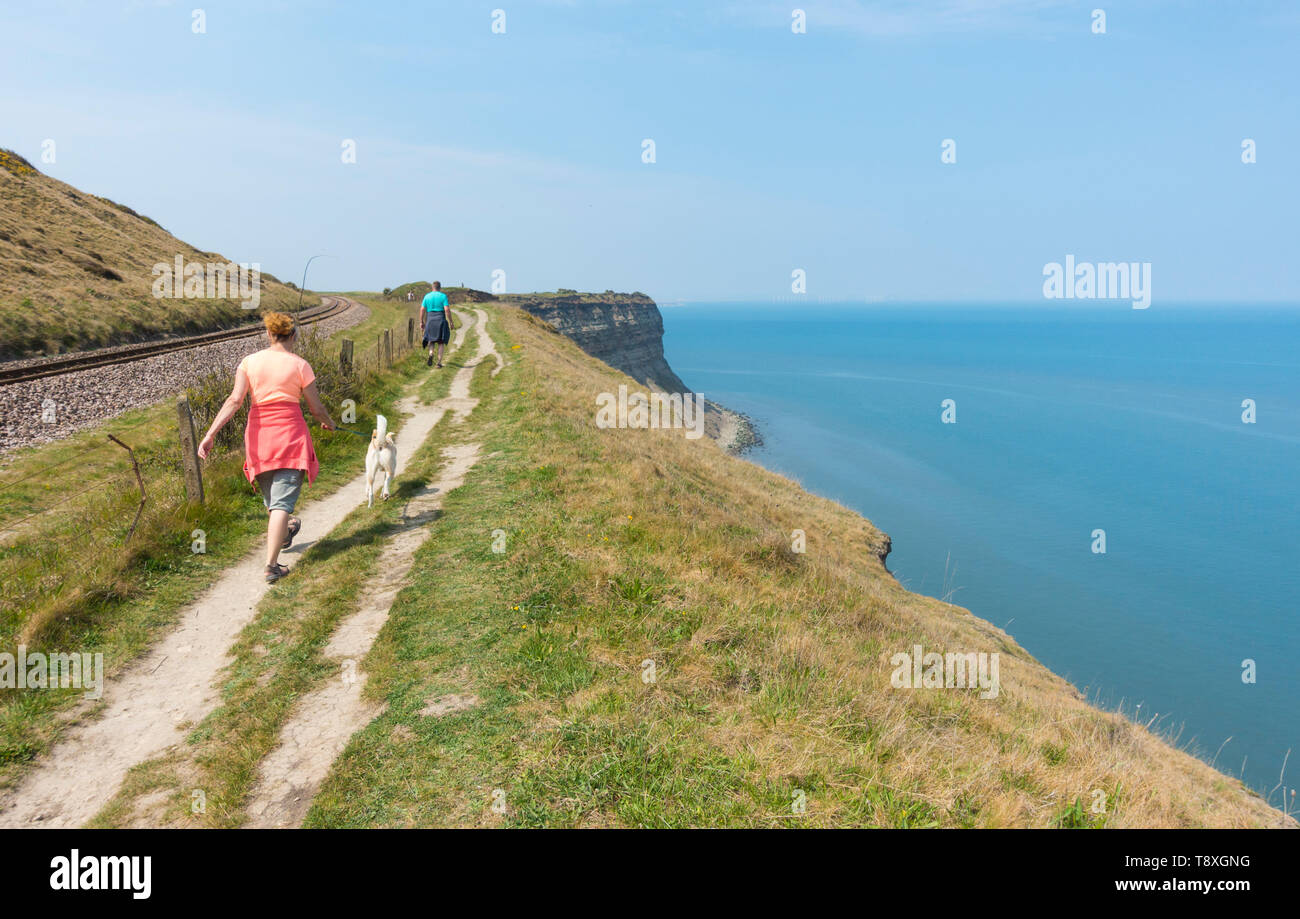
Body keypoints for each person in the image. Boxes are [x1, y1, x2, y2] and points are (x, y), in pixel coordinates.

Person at [197, 312, 336, 583]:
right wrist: (329, 422)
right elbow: (316, 408)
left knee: (274, 502)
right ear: (294, 335)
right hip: (290, 437)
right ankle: (271, 566)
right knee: (280, 503)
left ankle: (285, 530)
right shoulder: (301, 365)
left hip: (259, 439)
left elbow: (235, 400)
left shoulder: (249, 362)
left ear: (269, 335)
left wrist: (210, 434)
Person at [420, 281, 455, 368]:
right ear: (440, 288)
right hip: (440, 320)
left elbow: (422, 309)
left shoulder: (427, 296)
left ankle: (431, 353)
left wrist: (421, 321)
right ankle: (439, 363)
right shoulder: (443, 296)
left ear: (432, 288)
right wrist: (450, 321)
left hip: (430, 320)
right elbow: (446, 310)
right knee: (440, 342)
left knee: (431, 340)